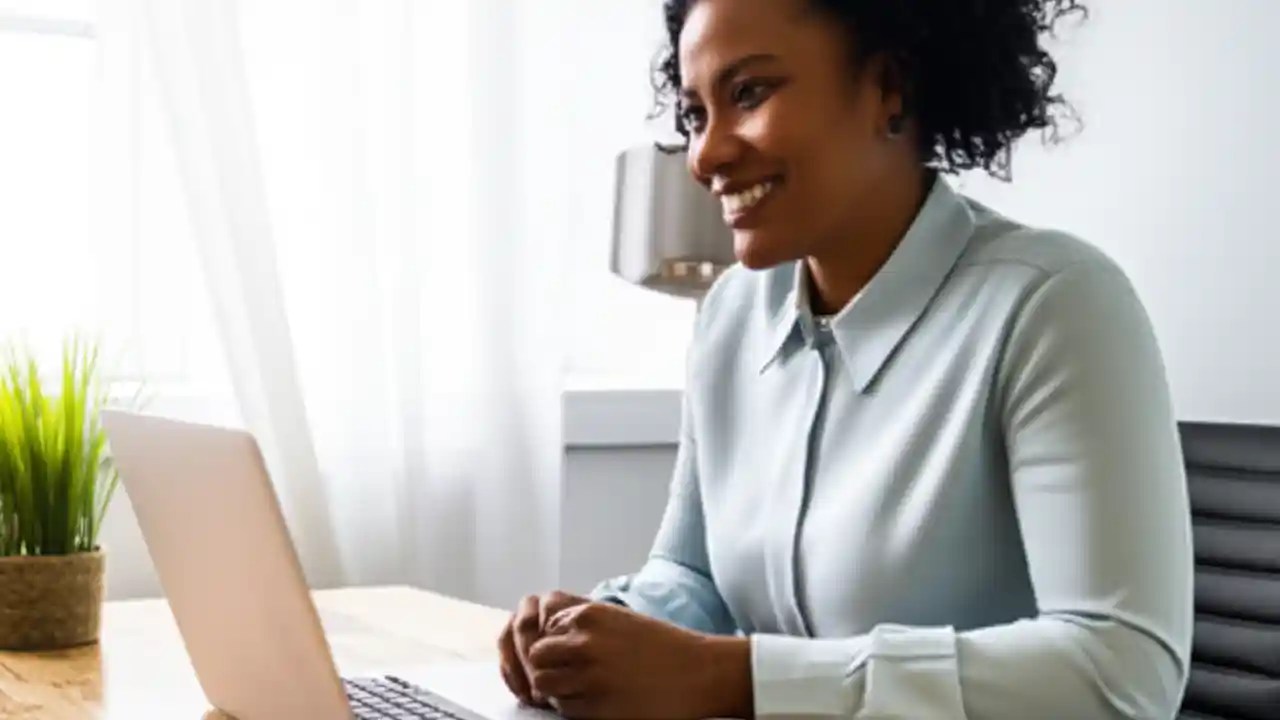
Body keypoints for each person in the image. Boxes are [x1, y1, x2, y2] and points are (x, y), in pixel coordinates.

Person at [498, 0, 1194, 717]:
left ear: (889, 86)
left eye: (749, 94)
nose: (705, 157)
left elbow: (1122, 671)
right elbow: (693, 572)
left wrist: (733, 677)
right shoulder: (733, 312)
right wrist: (593, 632)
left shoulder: (1053, 304)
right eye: (695, 113)